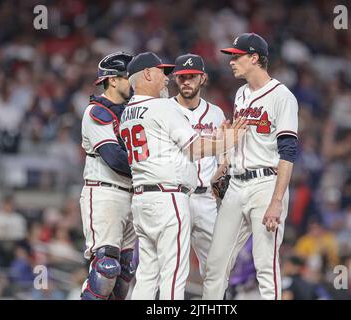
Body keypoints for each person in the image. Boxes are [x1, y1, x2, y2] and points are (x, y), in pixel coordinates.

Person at [120, 52, 247, 300]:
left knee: (147, 274)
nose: (165, 78)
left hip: (143, 198)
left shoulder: (128, 112)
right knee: (174, 272)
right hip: (169, 197)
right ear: (147, 74)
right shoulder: (163, 107)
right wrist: (228, 140)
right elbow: (195, 148)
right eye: (160, 72)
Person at [203, 33, 299, 300]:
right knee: (215, 264)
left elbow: (288, 152)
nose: (231, 61)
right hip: (235, 184)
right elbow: (237, 141)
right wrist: (220, 171)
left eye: (237, 56)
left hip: (266, 184)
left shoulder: (283, 97)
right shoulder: (241, 95)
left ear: (254, 58)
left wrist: (277, 200)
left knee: (265, 266)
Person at [79, 52, 137, 300]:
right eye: (128, 77)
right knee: (106, 267)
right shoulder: (96, 111)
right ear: (113, 80)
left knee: (124, 272)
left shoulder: (135, 111)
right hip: (105, 191)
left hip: (132, 194)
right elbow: (114, 158)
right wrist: (152, 167)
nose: (133, 83)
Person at [171, 53, 226, 281]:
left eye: (192, 76)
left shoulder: (216, 113)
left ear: (202, 78)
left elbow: (225, 158)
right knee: (171, 265)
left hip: (206, 199)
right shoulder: (165, 110)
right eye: (182, 77)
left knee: (217, 268)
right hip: (176, 196)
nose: (186, 82)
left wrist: (222, 187)